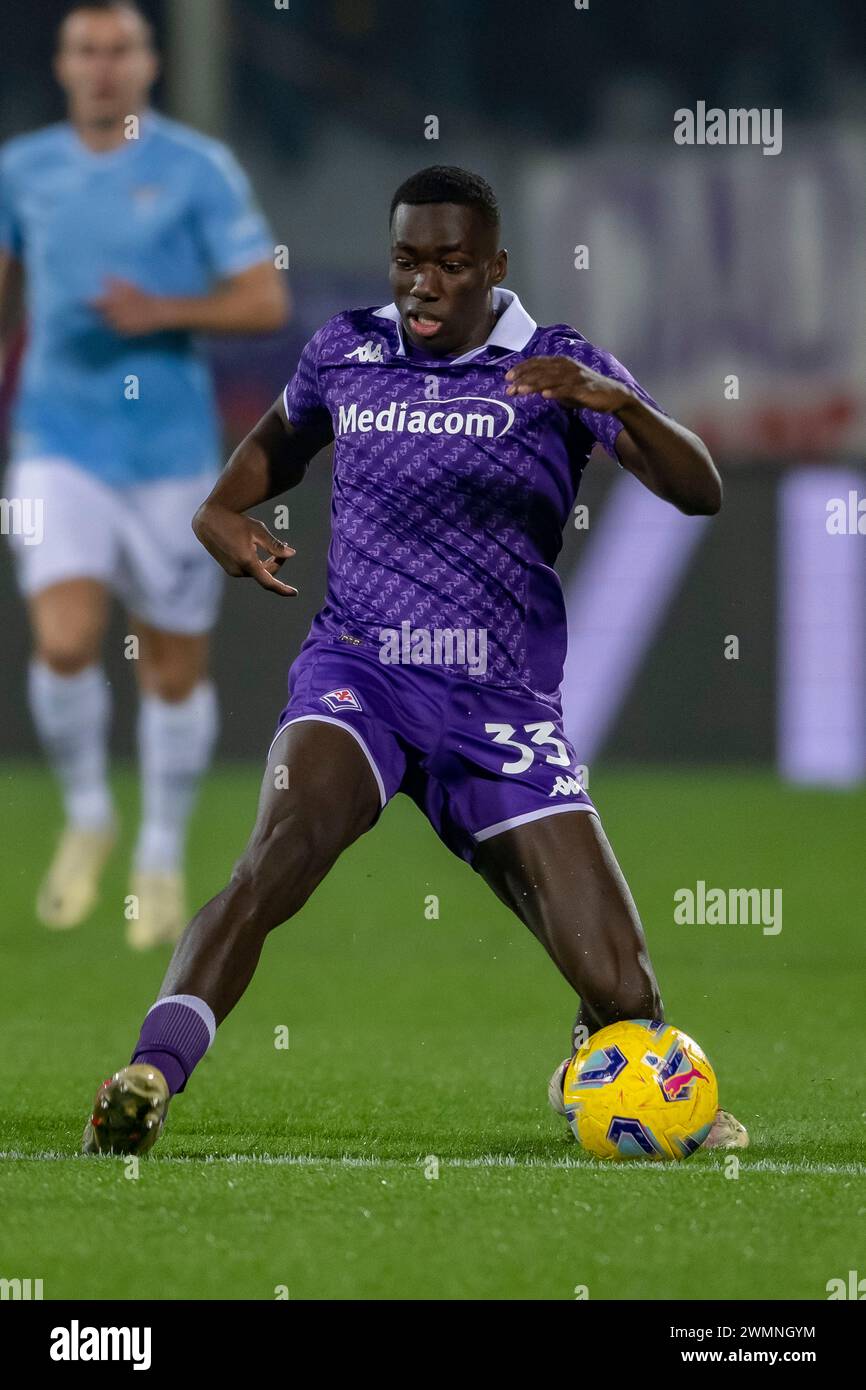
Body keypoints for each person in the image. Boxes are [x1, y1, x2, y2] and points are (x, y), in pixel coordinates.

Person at [82, 164, 747, 1155]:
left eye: (448, 264)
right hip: (362, 673)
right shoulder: (346, 349)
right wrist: (222, 510)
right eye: (406, 260)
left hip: (498, 704)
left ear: (494, 266)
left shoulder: (554, 366)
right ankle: (146, 1074)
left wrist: (624, 406)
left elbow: (700, 492)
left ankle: (615, 1073)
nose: (421, 284)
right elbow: (280, 439)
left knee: (619, 984)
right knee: (281, 849)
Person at [0, 1, 288, 947]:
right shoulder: (22, 170)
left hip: (168, 455)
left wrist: (160, 310)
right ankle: (90, 812)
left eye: (120, 48)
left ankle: (160, 852)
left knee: (170, 665)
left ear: (149, 63)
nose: (104, 66)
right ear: (63, 64)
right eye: (87, 49)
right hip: (55, 443)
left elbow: (263, 299)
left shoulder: (196, 168)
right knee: (68, 636)